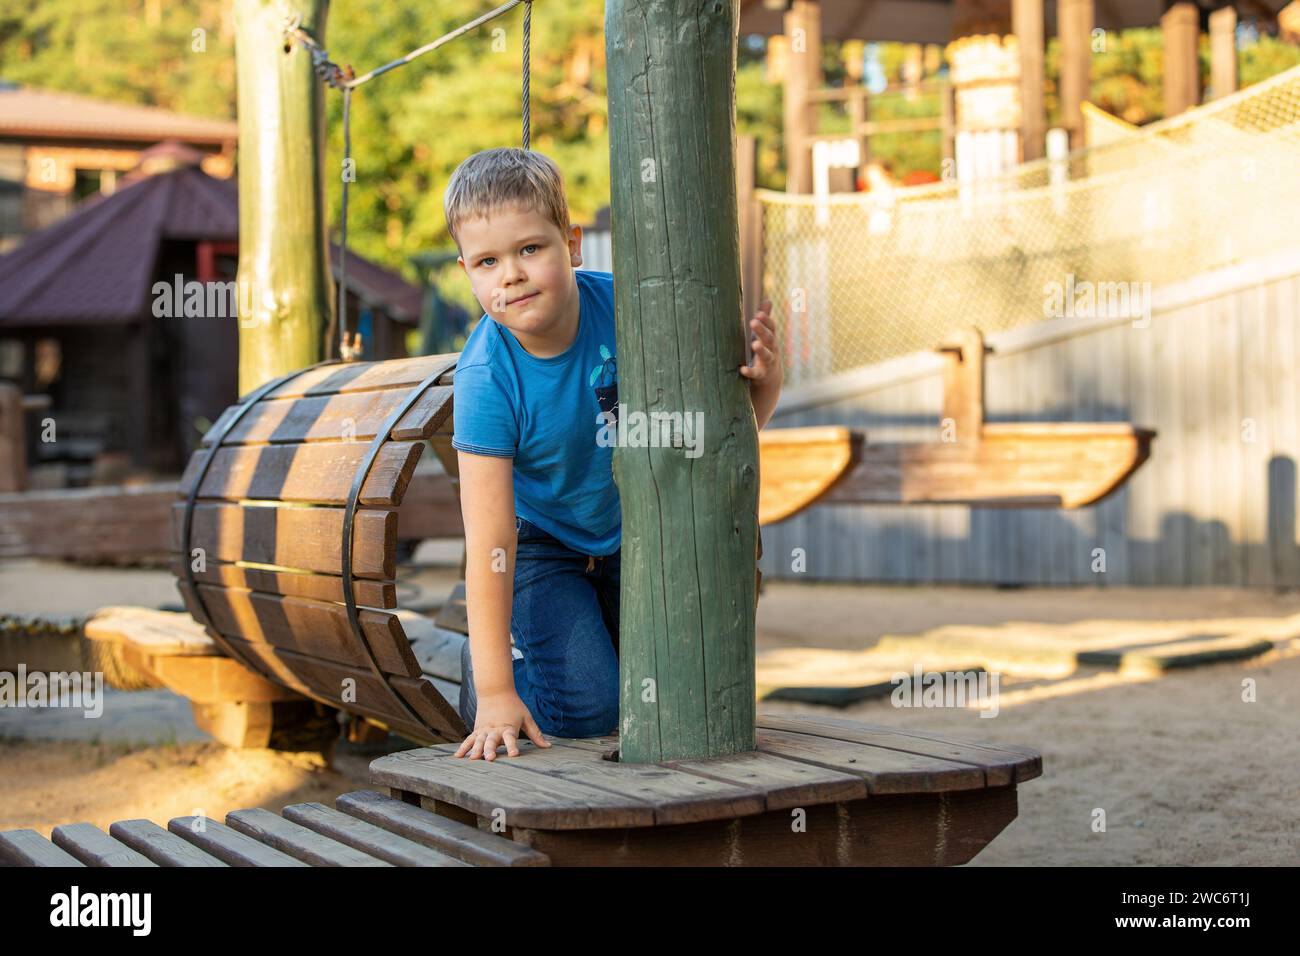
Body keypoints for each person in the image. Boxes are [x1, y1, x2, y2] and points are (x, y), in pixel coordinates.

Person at [444, 147, 782, 761]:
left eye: (530, 249)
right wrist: (494, 692)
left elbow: (712, 440)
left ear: (572, 244)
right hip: (542, 544)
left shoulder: (632, 315)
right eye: (487, 261)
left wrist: (764, 385)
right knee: (591, 709)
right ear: (466, 270)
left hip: (636, 533)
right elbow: (490, 542)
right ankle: (494, 669)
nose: (511, 275)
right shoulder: (487, 377)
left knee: (667, 687)